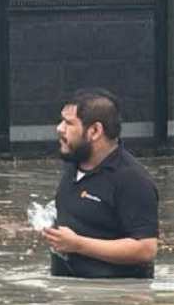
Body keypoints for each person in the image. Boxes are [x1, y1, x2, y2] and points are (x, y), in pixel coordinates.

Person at [44, 87, 159, 279]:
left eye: (68, 123)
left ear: (95, 131)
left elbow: (146, 249)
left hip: (113, 294)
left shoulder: (132, 179)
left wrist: (78, 244)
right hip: (66, 291)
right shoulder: (73, 165)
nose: (59, 128)